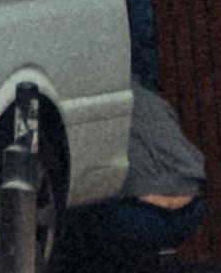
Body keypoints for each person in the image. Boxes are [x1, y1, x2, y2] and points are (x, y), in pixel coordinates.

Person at [61, 74, 206, 269]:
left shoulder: (89, 105)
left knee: (71, 213)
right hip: (190, 209)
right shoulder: (154, 100)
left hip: (136, 213)